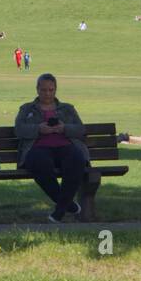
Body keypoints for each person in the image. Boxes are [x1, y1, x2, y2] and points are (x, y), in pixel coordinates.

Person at [14, 73, 90, 222]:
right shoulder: (27, 109)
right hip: (38, 147)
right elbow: (18, 130)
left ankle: (60, 210)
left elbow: (81, 129)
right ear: (37, 89)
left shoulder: (67, 109)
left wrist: (64, 128)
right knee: (39, 163)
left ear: (55, 90)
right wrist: (38, 129)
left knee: (76, 160)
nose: (47, 93)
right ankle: (68, 205)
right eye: (43, 90)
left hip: (66, 145)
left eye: (51, 90)